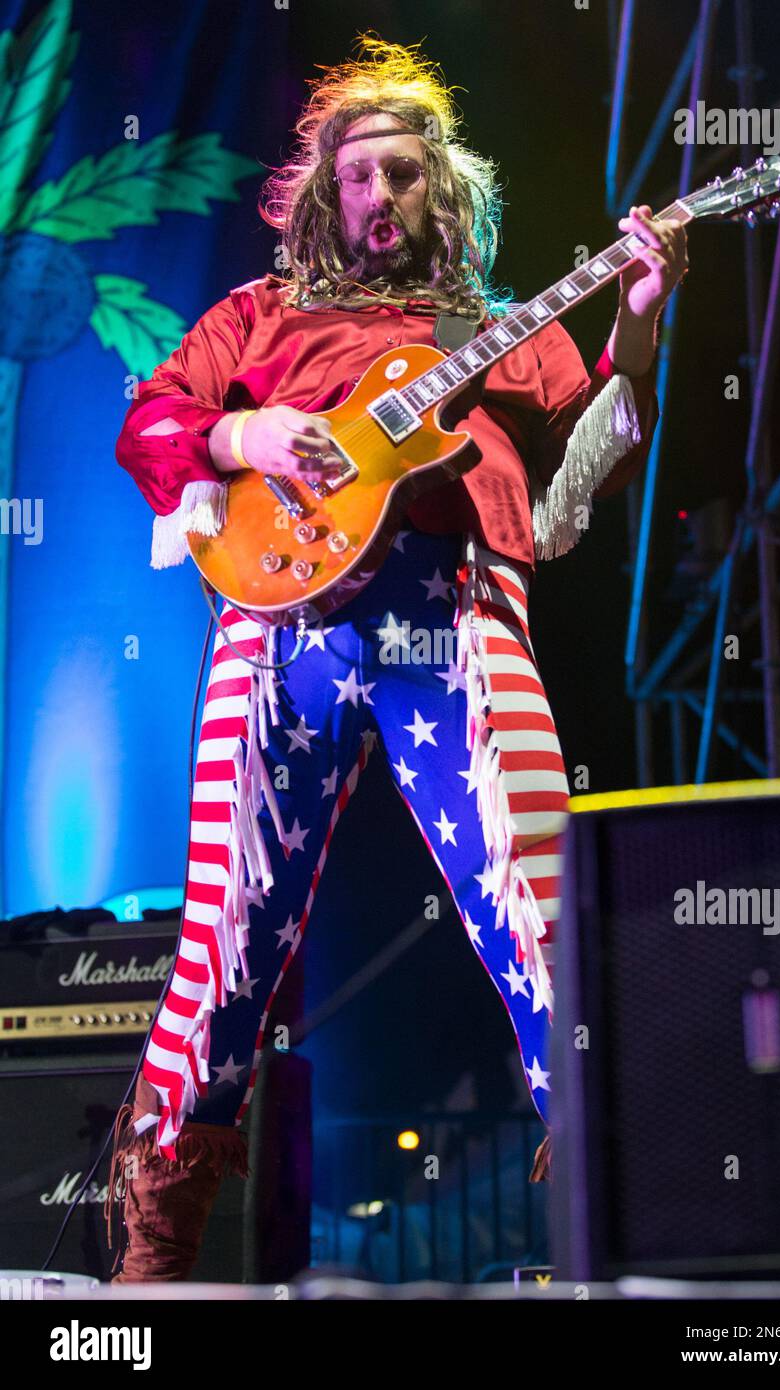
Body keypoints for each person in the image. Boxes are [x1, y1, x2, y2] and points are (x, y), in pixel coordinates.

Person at [109, 35, 687, 1281]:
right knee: (223, 940)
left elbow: (589, 448)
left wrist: (636, 320)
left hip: (454, 615)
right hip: (279, 628)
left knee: (547, 915)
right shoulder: (256, 317)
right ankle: (149, 1279)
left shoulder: (486, 327)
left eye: (407, 174)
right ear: (327, 190)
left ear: (443, 188)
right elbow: (151, 421)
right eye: (361, 174)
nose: (383, 196)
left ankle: (619, 1238)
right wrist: (252, 434)